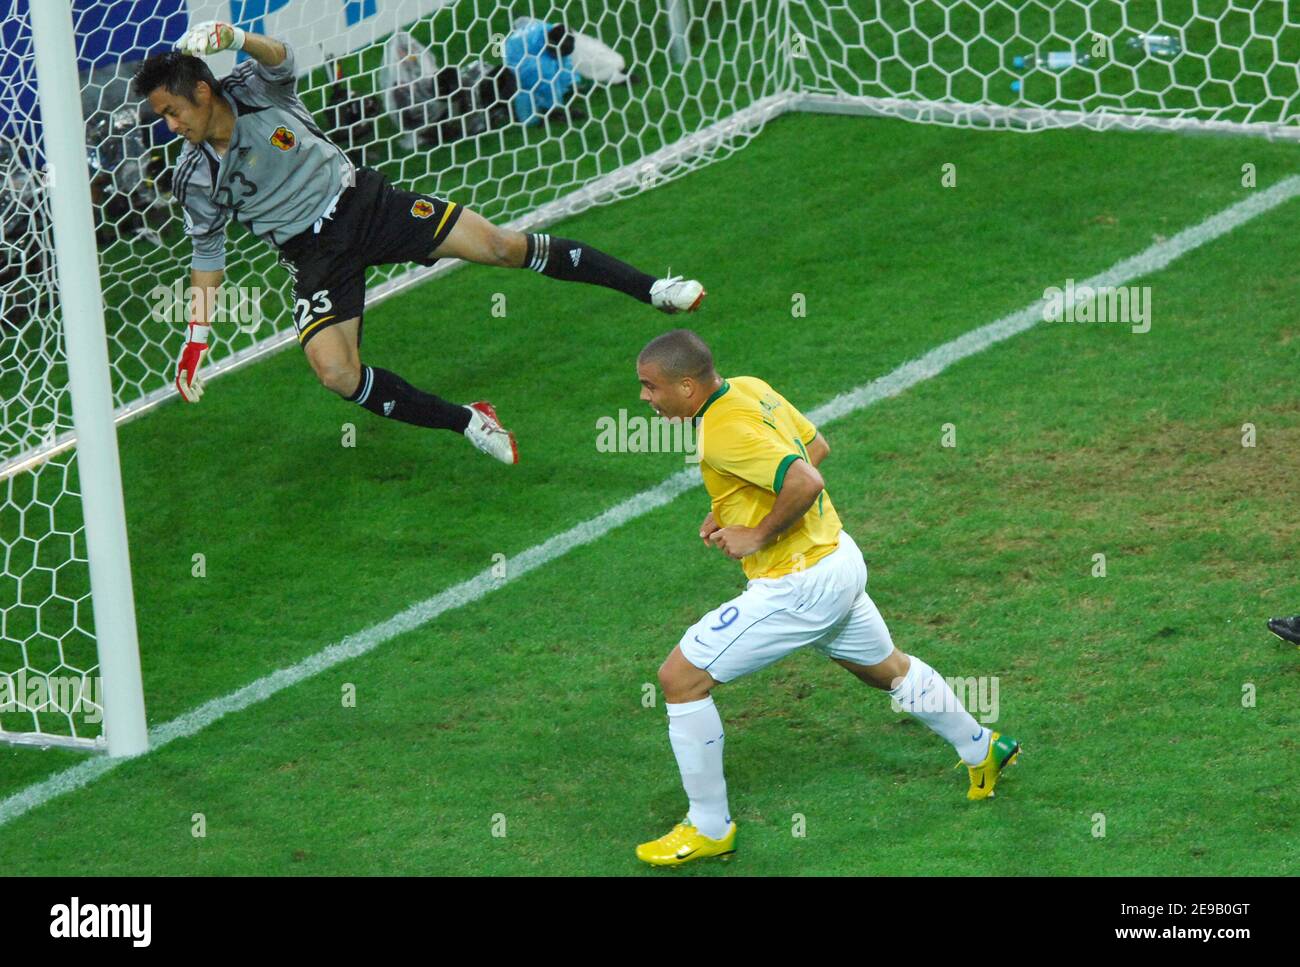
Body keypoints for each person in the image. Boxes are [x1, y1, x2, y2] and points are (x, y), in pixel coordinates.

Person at [133, 22, 706, 465]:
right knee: (336, 374)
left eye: (172, 111)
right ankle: (470, 420)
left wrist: (235, 37)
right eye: (163, 117)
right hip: (313, 256)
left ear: (203, 92)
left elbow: (282, 56)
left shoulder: (255, 90)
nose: (171, 125)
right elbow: (207, 256)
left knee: (502, 247)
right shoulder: (193, 178)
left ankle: (654, 288)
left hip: (366, 204)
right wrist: (195, 339)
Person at [633, 329, 1019, 866]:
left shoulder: (722, 432)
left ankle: (709, 827)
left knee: (680, 680)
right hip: (838, 557)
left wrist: (758, 533)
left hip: (798, 583)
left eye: (651, 388)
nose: (646, 399)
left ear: (688, 386)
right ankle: (982, 747)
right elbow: (814, 446)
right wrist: (732, 509)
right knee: (885, 668)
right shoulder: (749, 387)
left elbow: (807, 479)